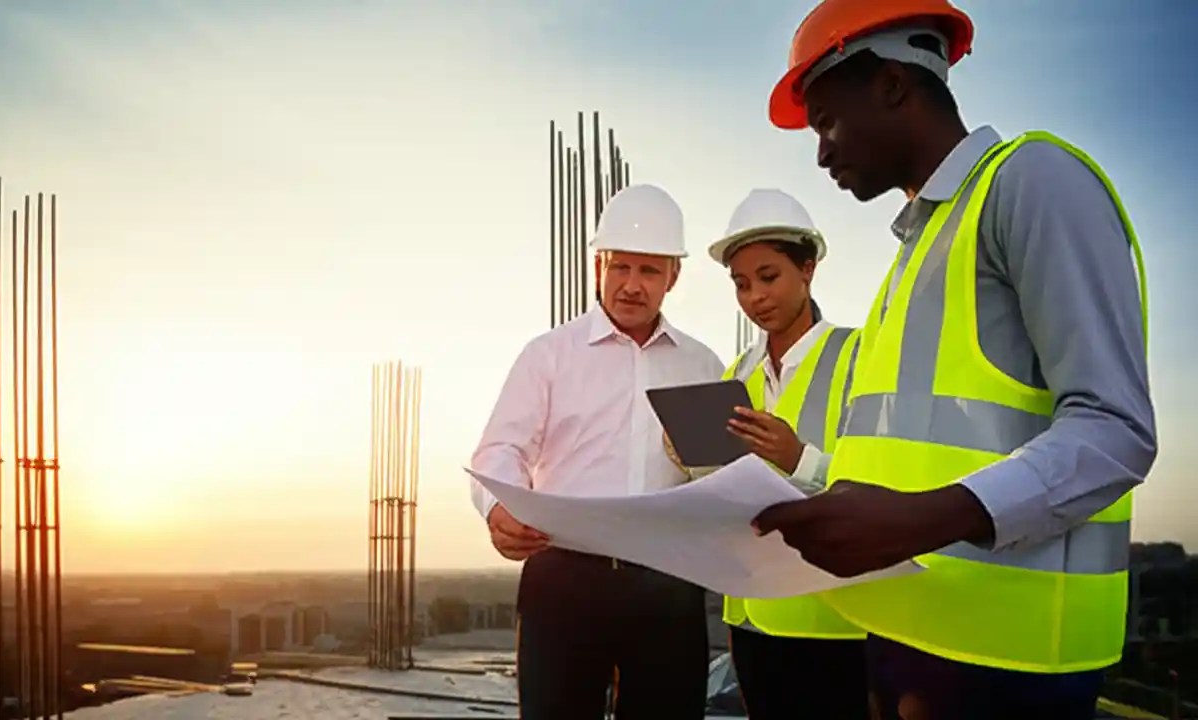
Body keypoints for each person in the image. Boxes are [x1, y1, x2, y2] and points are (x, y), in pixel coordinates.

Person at [750, 1, 1156, 718]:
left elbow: (1115, 429)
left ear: (893, 87)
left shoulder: (1030, 183)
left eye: (827, 121)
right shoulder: (916, 254)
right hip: (904, 642)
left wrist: (922, 520)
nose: (822, 153)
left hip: (1011, 665)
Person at [469, 183, 725, 719]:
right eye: (620, 268)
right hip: (563, 581)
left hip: (667, 583)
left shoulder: (701, 366)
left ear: (673, 277)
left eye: (649, 271)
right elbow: (500, 449)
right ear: (597, 267)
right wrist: (498, 508)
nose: (632, 286)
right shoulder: (548, 356)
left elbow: (718, 478)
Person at [678, 188, 869, 720]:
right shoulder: (737, 373)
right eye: (741, 284)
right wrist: (689, 454)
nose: (754, 297)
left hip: (835, 621)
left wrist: (799, 457)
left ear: (807, 269)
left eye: (768, 277)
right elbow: (724, 484)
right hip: (753, 621)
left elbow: (882, 483)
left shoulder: (860, 355)